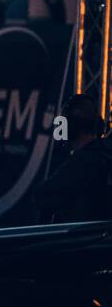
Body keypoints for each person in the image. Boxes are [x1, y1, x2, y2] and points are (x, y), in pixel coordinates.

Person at [35, 94, 112, 222]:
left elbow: (42, 195)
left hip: (83, 239)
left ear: (71, 127)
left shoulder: (84, 161)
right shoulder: (104, 155)